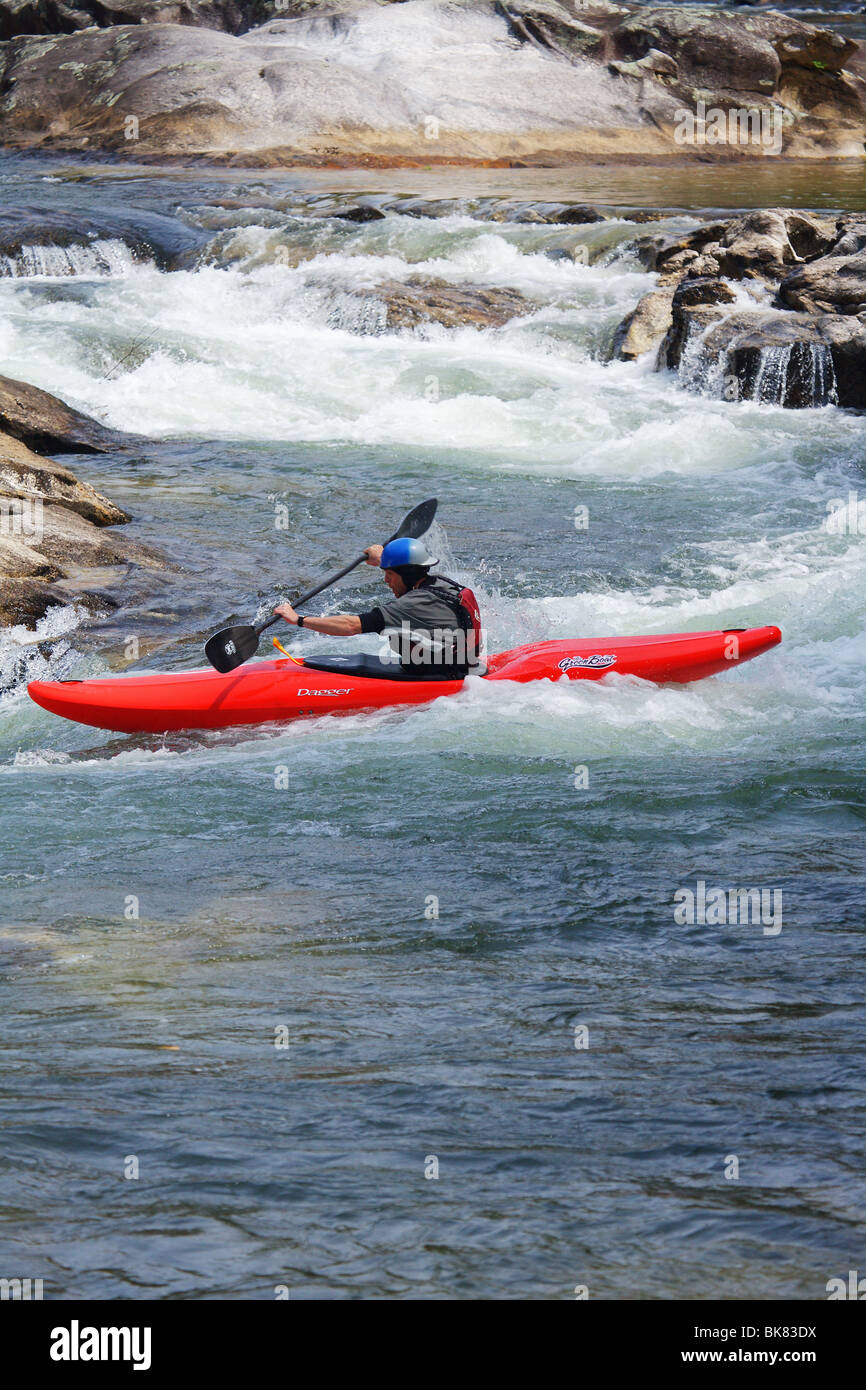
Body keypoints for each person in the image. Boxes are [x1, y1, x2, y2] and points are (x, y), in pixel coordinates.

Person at [273, 537, 482, 679]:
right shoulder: (440, 584)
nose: (385, 581)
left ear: (407, 575)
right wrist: (385, 557)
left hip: (439, 676)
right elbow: (405, 568)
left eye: (389, 575)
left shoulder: (411, 605)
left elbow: (351, 626)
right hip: (461, 666)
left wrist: (298, 620)